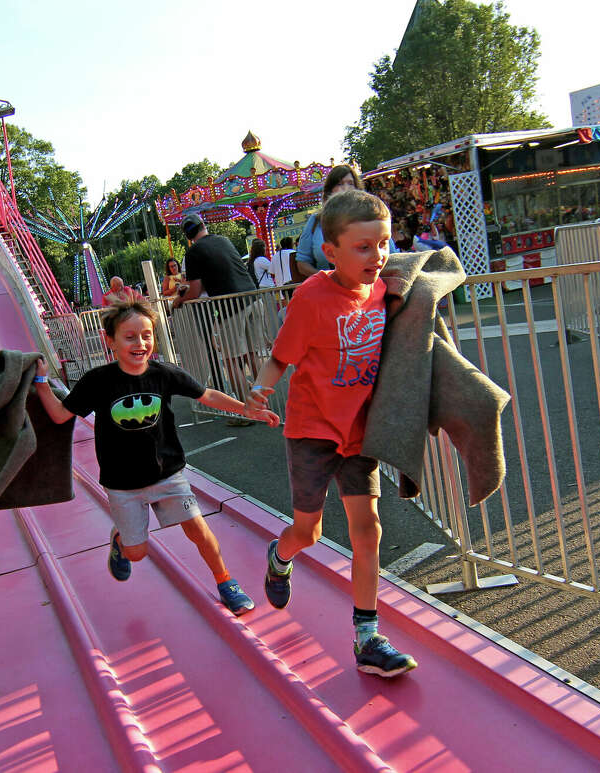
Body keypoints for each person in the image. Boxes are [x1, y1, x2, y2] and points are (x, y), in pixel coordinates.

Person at [246, 188, 417, 678]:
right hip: (312, 431)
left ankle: (368, 637)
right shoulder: (312, 297)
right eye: (363, 247)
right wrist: (260, 392)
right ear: (331, 251)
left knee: (369, 531)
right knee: (310, 532)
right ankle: (280, 555)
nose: (378, 255)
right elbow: (282, 357)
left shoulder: (391, 289)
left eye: (383, 243)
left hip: (359, 433)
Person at [34, 300, 278, 615]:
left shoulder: (163, 374)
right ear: (110, 340)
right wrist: (41, 382)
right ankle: (122, 542)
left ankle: (226, 581)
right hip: (123, 484)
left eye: (147, 335)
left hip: (167, 474)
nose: (141, 343)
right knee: (137, 553)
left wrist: (246, 409)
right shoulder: (98, 381)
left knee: (198, 528)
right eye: (130, 336)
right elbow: (59, 415)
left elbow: (206, 395)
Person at [173, 213, 260, 416]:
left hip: (231, 306)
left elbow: (194, 290)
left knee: (231, 361)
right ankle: (263, 402)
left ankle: (245, 410)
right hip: (254, 298)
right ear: (204, 225)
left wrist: (179, 300)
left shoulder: (194, 252)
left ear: (188, 235)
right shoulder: (224, 240)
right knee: (252, 354)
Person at [294, 165, 364, 280]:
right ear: (330, 190)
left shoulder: (369, 216)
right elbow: (302, 264)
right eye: (340, 184)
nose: (346, 188)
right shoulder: (316, 221)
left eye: (350, 183)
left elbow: (389, 253)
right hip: (330, 291)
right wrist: (328, 278)